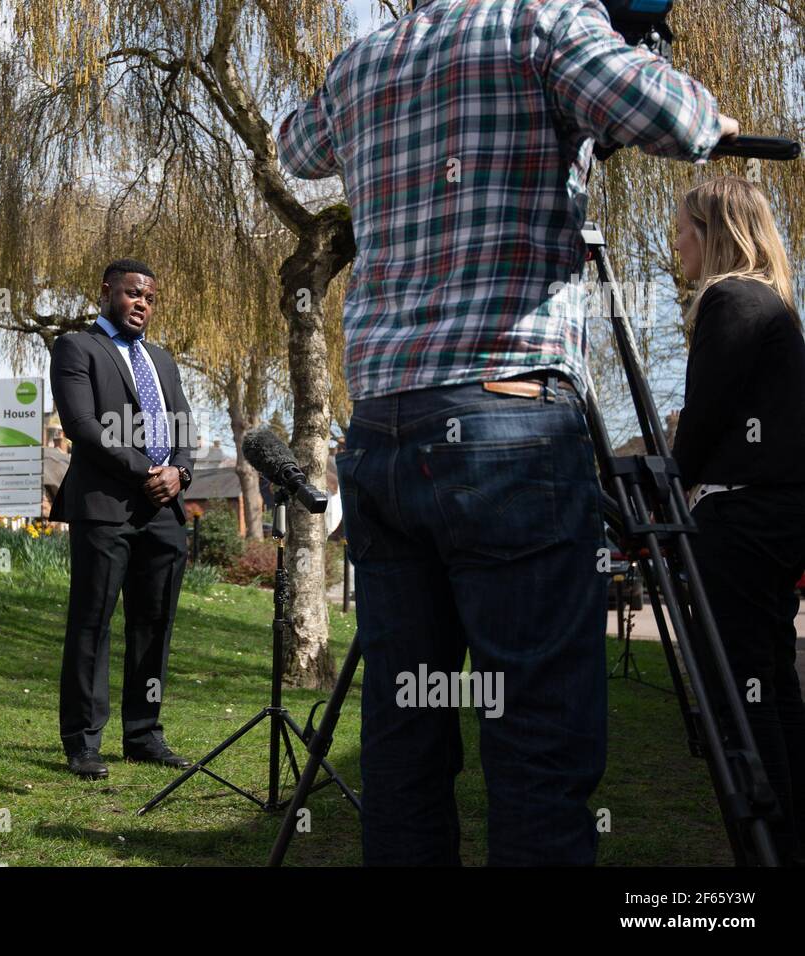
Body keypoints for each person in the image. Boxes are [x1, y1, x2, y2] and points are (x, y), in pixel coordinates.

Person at [278, 0, 737, 864]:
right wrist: (715, 115)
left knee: (405, 732)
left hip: (383, 426)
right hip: (505, 420)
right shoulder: (545, 23)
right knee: (536, 735)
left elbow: (296, 148)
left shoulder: (362, 58)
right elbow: (673, 118)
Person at [673, 175, 805, 866]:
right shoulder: (775, 305)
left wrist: (673, 484)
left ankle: (766, 845)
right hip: (778, 515)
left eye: (686, 231)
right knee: (771, 678)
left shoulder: (730, 300)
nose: (678, 244)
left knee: (736, 685)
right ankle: (788, 838)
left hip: (743, 516)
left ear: (715, 232)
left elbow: (703, 420)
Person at [49, 258, 196, 779]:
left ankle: (143, 734)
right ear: (107, 291)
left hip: (164, 511)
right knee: (92, 623)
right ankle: (83, 742)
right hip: (105, 508)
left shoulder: (163, 359)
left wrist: (180, 471)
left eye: (150, 298)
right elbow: (83, 426)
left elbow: (184, 424)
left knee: (155, 624)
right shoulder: (76, 347)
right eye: (134, 293)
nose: (142, 304)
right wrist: (147, 471)